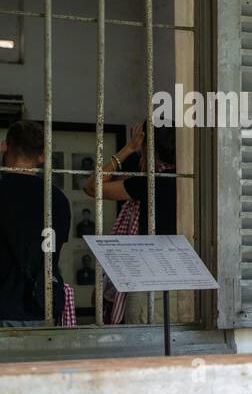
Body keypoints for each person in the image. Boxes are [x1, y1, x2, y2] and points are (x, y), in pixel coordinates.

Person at [86, 122, 178, 324]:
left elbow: (92, 186)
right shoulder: (187, 180)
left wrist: (129, 148)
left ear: (148, 147)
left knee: (140, 340)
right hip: (182, 284)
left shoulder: (148, 183)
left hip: (146, 284)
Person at [0, 120, 73, 326]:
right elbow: (55, 251)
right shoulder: (57, 199)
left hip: (3, 306)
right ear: (42, 156)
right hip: (42, 306)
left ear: (5, 146)